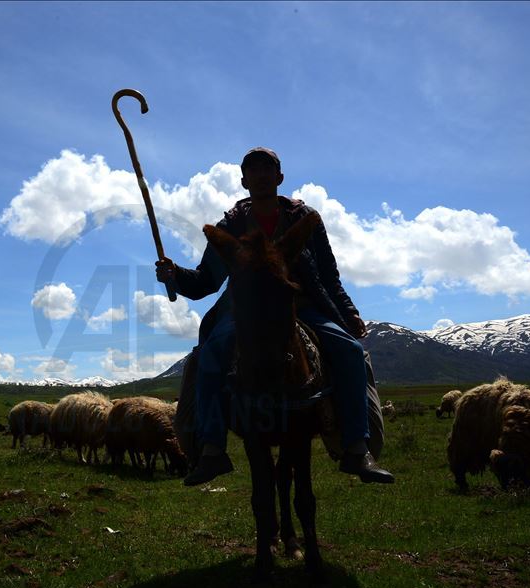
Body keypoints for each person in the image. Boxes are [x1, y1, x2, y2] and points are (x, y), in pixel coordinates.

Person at [156, 147, 394, 486]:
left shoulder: (303, 218)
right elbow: (206, 280)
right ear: (243, 180)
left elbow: (328, 276)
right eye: (253, 169)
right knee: (210, 355)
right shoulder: (233, 224)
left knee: (352, 353)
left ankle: (357, 447)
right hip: (245, 309)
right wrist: (174, 275)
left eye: (268, 168)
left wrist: (348, 312)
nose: (261, 174)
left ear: (280, 177)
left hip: (302, 303)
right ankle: (211, 450)